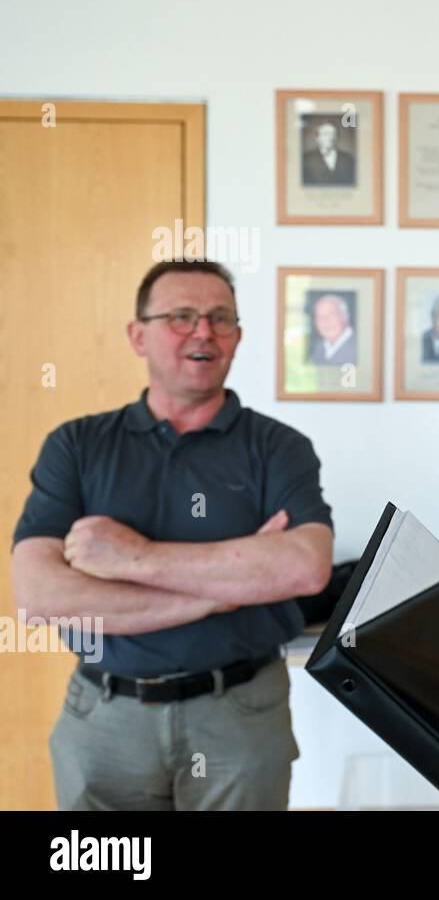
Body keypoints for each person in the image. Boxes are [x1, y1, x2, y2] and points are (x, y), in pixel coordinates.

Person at [11, 259, 334, 810]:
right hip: (106, 718)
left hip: (240, 715)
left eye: (219, 318)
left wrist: (135, 558)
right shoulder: (76, 445)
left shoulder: (280, 447)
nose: (203, 331)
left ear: (238, 336)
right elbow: (41, 597)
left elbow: (305, 568)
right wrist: (234, 582)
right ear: (138, 336)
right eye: (181, 316)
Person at [308, 293, 357, 366]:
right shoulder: (319, 348)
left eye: (331, 314)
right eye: (319, 316)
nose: (325, 321)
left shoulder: (360, 348)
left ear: (345, 317)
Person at [301, 121, 356, 186]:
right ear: (317, 138)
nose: (330, 137)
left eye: (333, 134)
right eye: (326, 134)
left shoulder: (348, 159)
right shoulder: (305, 159)